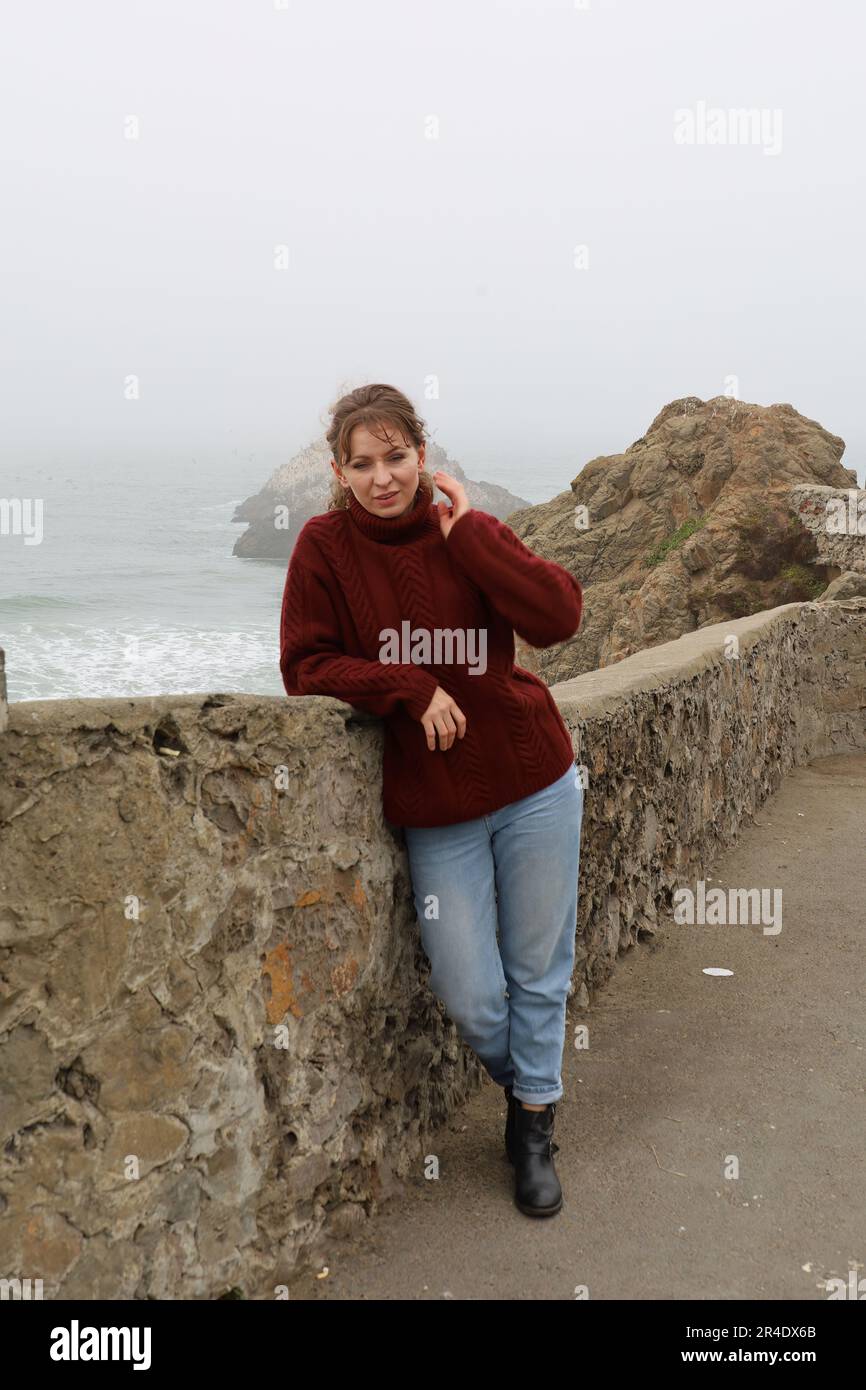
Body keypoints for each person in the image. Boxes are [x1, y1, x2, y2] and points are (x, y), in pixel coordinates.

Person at [279, 383, 585, 1217]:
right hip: (436, 805)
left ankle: (531, 1132)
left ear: (423, 454)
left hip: (535, 781)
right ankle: (534, 1085)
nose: (383, 478)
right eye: (363, 463)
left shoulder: (465, 534)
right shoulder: (322, 548)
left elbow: (559, 617)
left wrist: (476, 534)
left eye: (397, 457)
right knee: (473, 993)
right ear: (338, 471)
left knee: (537, 973)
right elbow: (304, 666)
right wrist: (408, 687)